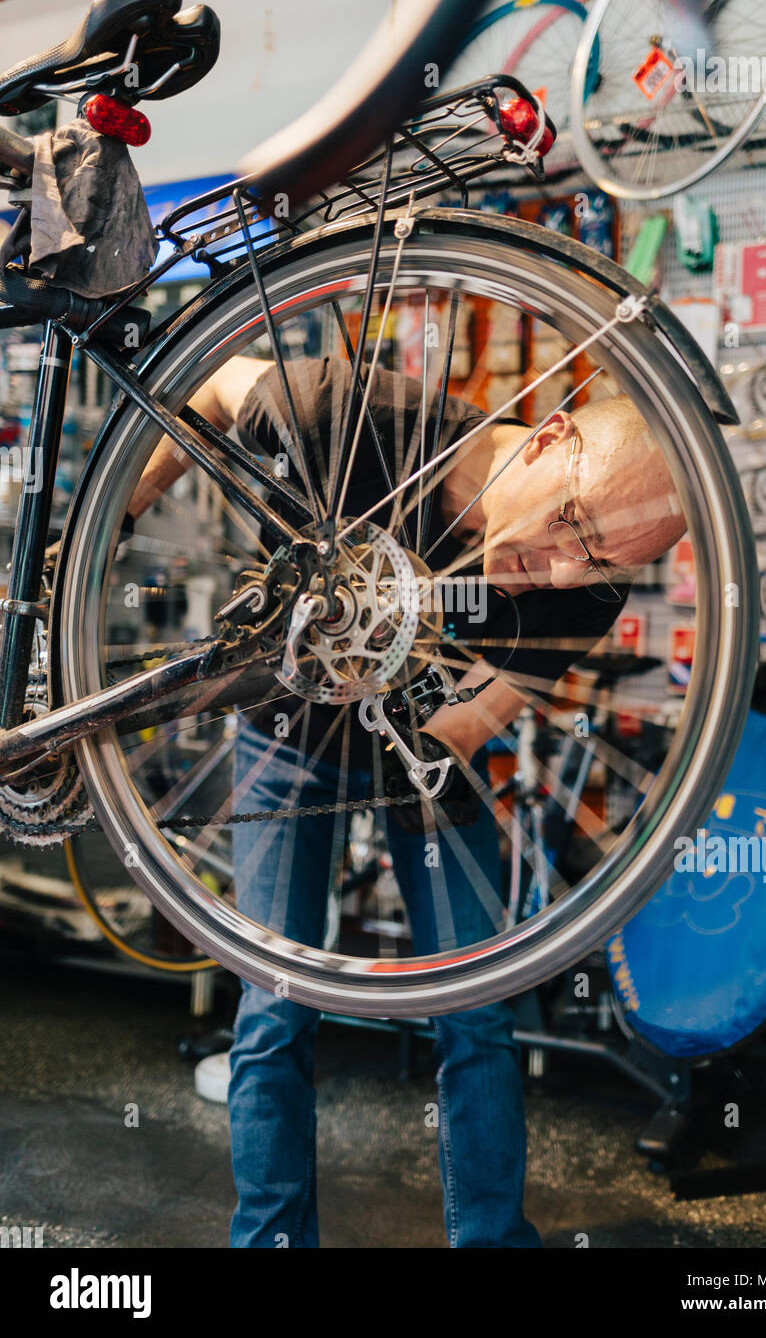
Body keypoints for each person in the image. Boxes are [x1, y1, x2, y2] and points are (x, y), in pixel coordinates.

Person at [129, 352, 686, 1248]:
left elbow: (471, 722)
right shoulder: (367, 419)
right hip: (285, 730)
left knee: (476, 1008)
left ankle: (493, 1242)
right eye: (568, 528)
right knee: (275, 1008)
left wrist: (414, 727)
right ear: (549, 439)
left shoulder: (591, 580)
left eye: (594, 565)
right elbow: (215, 382)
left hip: (423, 748)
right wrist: (113, 518)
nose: (553, 575)